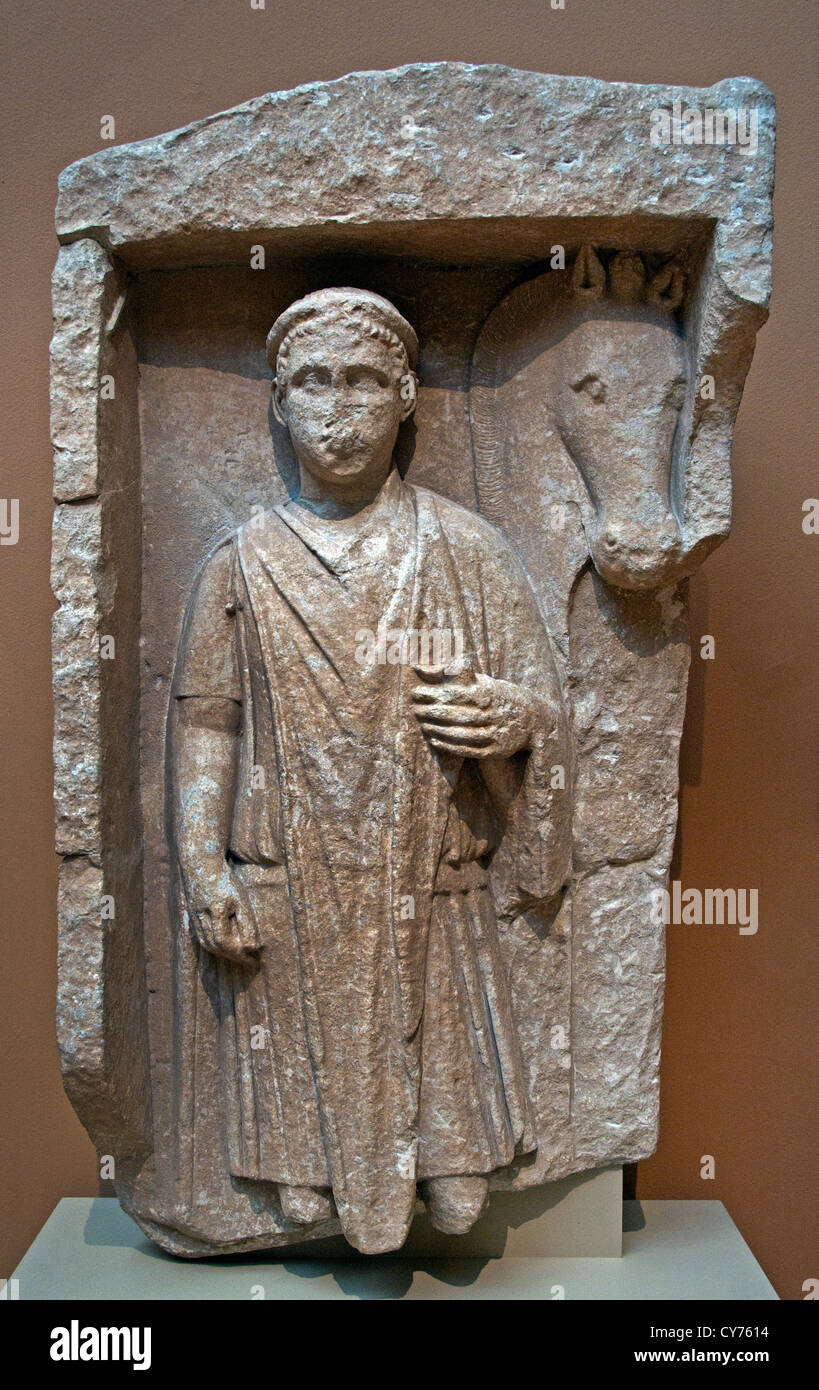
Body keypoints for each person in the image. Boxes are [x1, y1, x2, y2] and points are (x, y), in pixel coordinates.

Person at [170, 288, 570, 1254]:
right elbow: (206, 724)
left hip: (431, 878)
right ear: (277, 403)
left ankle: (444, 1146)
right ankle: (304, 1160)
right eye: (311, 382)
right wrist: (200, 862)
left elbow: (549, 711)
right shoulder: (240, 561)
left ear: (404, 400)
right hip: (290, 877)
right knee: (302, 1198)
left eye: (360, 382)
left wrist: (512, 725)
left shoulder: (467, 552)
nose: (336, 407)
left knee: (461, 1195)